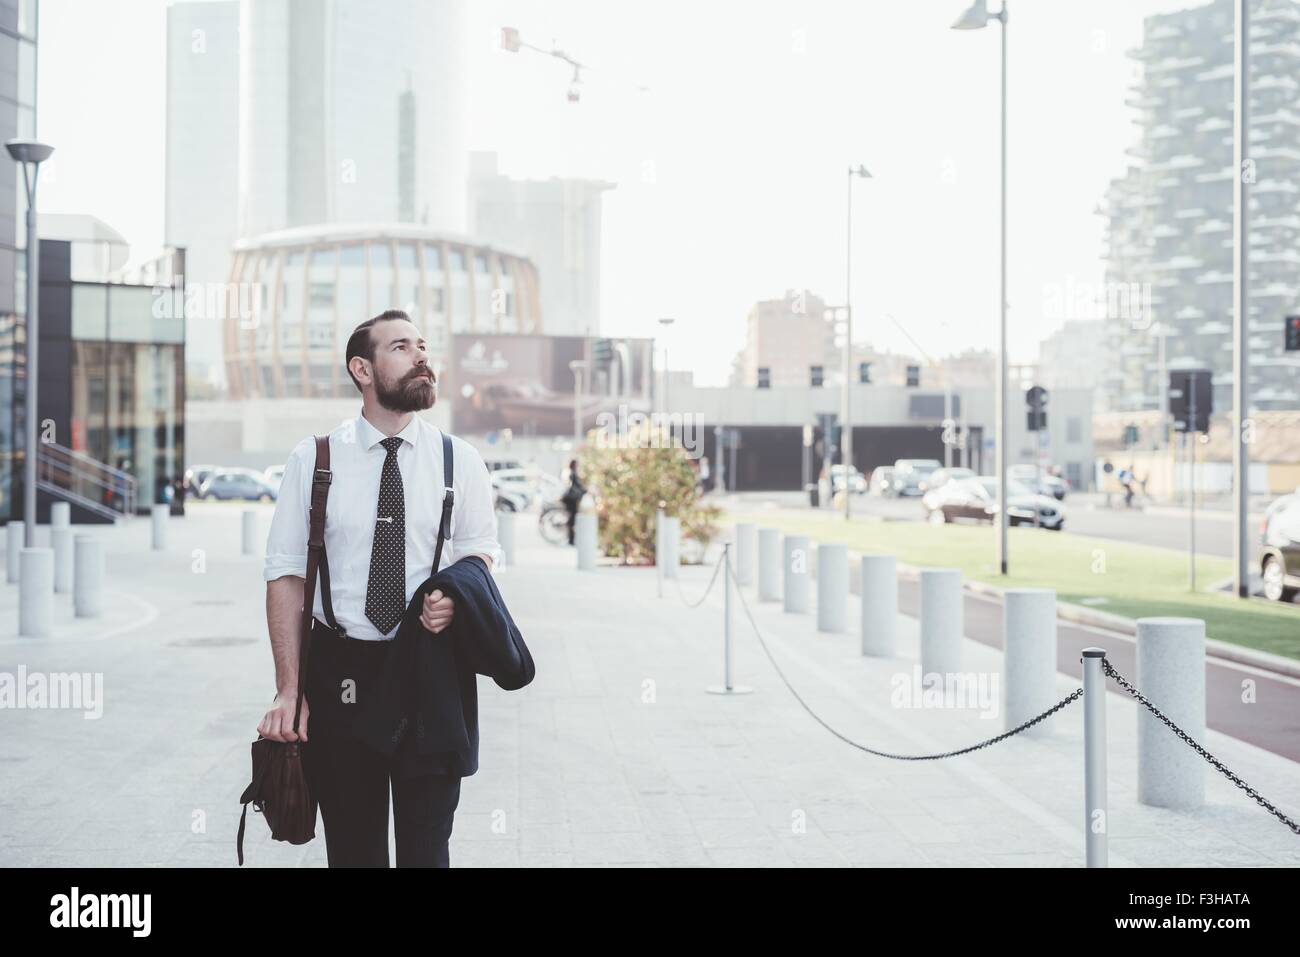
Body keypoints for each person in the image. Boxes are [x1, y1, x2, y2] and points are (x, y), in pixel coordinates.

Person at [259, 309, 502, 868]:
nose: (422, 356)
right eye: (401, 347)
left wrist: (454, 600)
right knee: (354, 851)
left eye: (423, 345)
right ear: (362, 369)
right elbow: (285, 575)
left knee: (427, 852)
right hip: (342, 675)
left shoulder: (458, 460)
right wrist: (288, 690)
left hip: (431, 670)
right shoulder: (315, 459)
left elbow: (479, 556)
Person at [561, 459, 585, 546]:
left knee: (571, 519)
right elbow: (578, 485)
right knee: (572, 520)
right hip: (572, 500)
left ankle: (571, 539)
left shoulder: (570, 473)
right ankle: (571, 539)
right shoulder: (573, 473)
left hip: (570, 500)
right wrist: (585, 490)